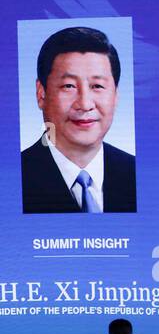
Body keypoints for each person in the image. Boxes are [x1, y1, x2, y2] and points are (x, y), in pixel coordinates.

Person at [21, 26, 136, 213]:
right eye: (69, 86)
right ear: (41, 94)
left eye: (97, 86)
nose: (84, 104)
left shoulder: (136, 173)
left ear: (116, 96)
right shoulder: (14, 177)